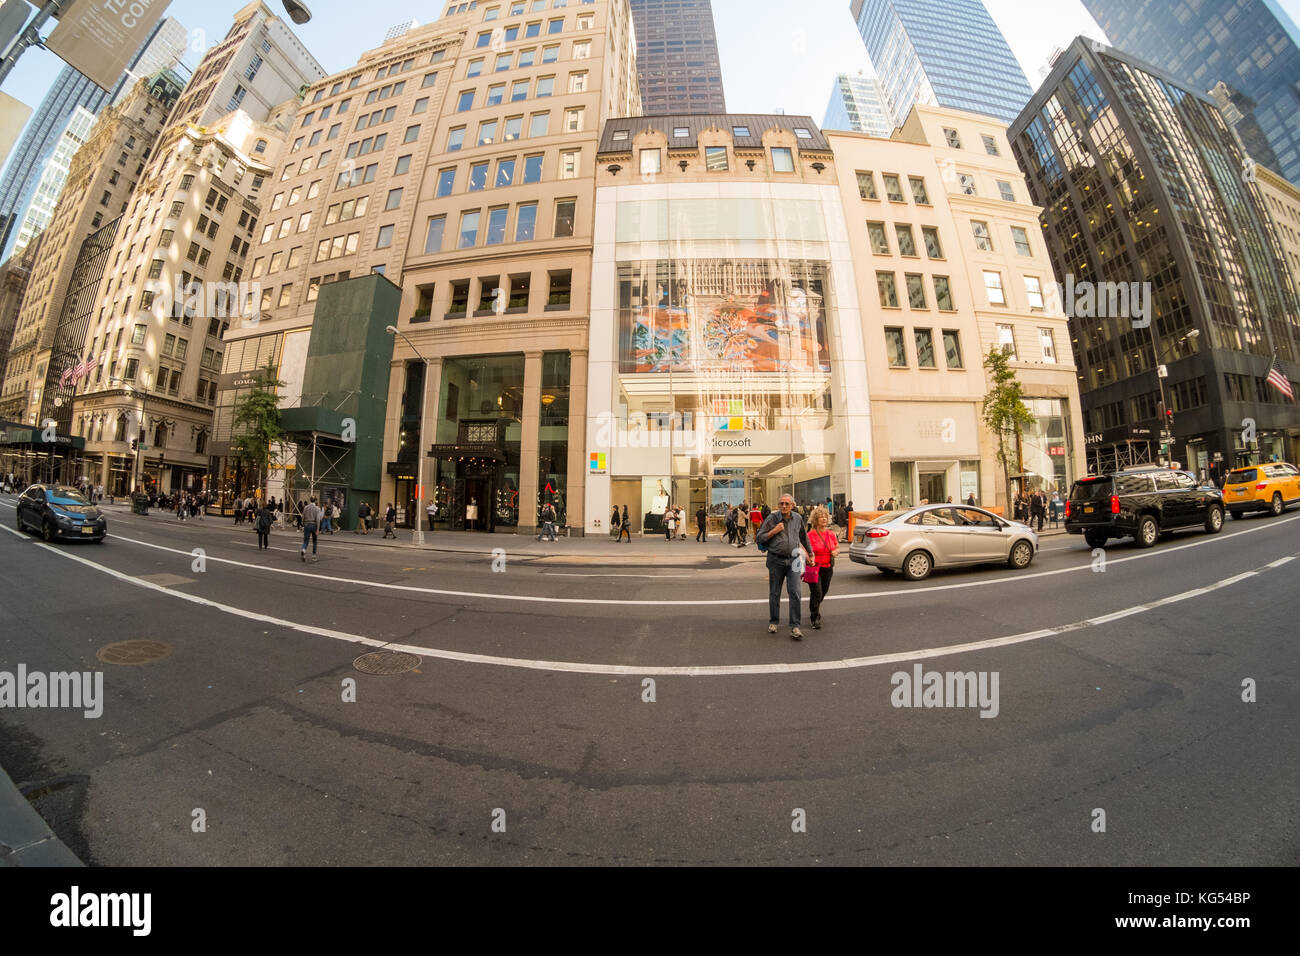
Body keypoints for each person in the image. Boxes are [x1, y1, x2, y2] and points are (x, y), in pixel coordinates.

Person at [757, 494, 813, 641]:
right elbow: (759, 537)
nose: (783, 506)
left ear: (792, 505)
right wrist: (774, 531)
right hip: (775, 560)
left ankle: (795, 625)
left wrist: (810, 553)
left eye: (787, 504)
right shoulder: (772, 518)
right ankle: (774, 621)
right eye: (781, 503)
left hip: (794, 559)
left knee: (795, 592)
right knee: (774, 593)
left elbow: (803, 537)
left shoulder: (798, 518)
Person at [806, 506, 839, 630]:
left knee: (823, 592)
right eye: (821, 516)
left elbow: (837, 548)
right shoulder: (810, 535)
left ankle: (814, 607)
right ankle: (815, 617)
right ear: (815, 519)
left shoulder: (831, 534)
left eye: (826, 516)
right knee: (817, 592)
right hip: (813, 568)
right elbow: (804, 550)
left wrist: (836, 552)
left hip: (827, 567)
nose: (824, 518)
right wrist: (809, 557)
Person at [300, 495, 322, 561]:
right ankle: (314, 556)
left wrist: (303, 525)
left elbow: (303, 517)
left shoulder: (306, 507)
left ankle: (303, 550)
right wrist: (318, 529)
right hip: (314, 525)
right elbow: (318, 519)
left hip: (306, 525)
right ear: (315, 500)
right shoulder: (317, 508)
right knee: (314, 541)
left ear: (310, 500)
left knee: (306, 541)